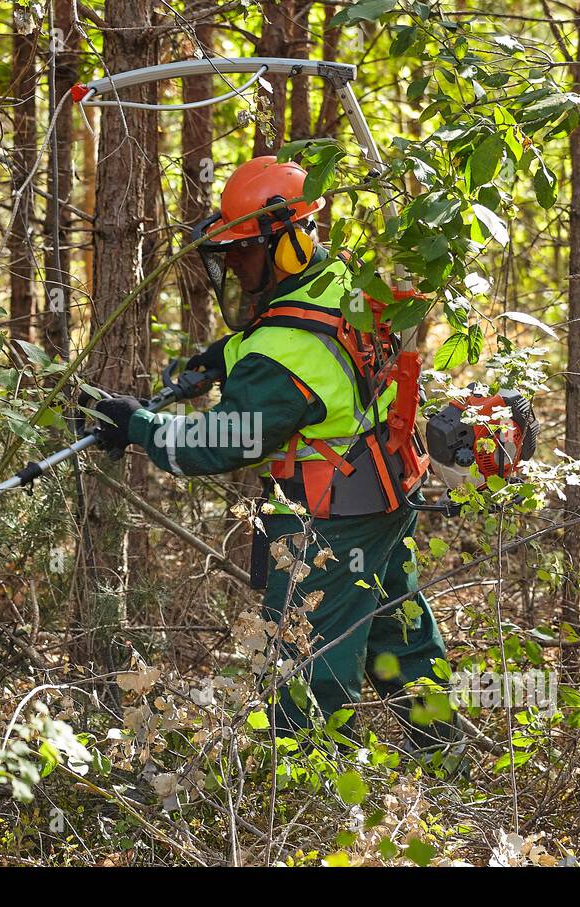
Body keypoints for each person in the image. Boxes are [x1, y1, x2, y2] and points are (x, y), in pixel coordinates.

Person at [90, 156, 456, 759]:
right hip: (391, 488)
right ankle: (443, 755)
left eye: (244, 251)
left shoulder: (282, 354)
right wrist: (225, 355)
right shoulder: (342, 279)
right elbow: (309, 334)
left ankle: (305, 803)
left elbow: (221, 442)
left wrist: (139, 426)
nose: (234, 264)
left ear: (286, 245)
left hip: (330, 516)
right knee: (400, 632)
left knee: (306, 662)